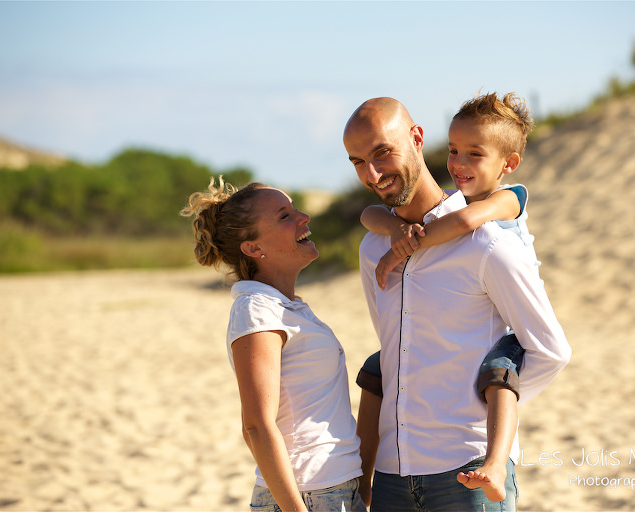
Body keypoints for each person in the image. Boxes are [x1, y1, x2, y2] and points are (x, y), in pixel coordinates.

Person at [343, 97, 571, 511]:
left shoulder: (489, 243)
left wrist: (486, 406)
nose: (372, 174)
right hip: (393, 474)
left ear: (416, 138)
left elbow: (551, 351)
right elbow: (393, 349)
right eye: (358, 161)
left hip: (467, 473)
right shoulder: (373, 247)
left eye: (382, 153)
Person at [180, 178, 366, 512]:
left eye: (295, 208)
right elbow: (255, 425)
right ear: (252, 248)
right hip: (308, 495)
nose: (304, 216)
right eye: (284, 216)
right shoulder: (257, 310)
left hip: (332, 488)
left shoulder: (284, 306)